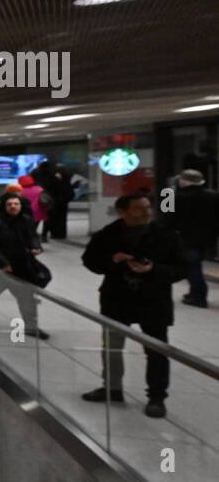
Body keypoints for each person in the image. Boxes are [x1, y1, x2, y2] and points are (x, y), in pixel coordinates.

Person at [81, 190, 187, 417]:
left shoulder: (166, 235)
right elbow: (89, 261)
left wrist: (154, 269)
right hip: (116, 298)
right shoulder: (107, 235)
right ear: (123, 211)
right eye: (139, 208)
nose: (146, 213)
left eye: (148, 208)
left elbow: (182, 268)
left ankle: (157, 397)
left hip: (153, 300)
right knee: (112, 347)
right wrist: (112, 260)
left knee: (157, 350)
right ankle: (112, 388)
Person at [0, 192, 50, 340]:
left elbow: (33, 237)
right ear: (3, 206)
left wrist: (36, 247)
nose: (13, 207)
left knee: (26, 296)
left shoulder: (25, 220)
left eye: (16, 204)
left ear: (21, 206)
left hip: (20, 266)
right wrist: (3, 264)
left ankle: (31, 326)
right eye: (10, 204)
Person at [165, 169, 218, 307]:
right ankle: (194, 292)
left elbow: (165, 217)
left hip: (184, 237)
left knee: (192, 266)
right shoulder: (213, 195)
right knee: (195, 264)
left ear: (182, 181)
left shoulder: (171, 195)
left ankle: (198, 296)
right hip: (207, 237)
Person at [18, 173, 49, 241]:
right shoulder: (39, 189)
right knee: (34, 225)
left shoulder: (20, 190)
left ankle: (29, 239)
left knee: (26, 226)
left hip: (25, 211)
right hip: (38, 211)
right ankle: (34, 238)